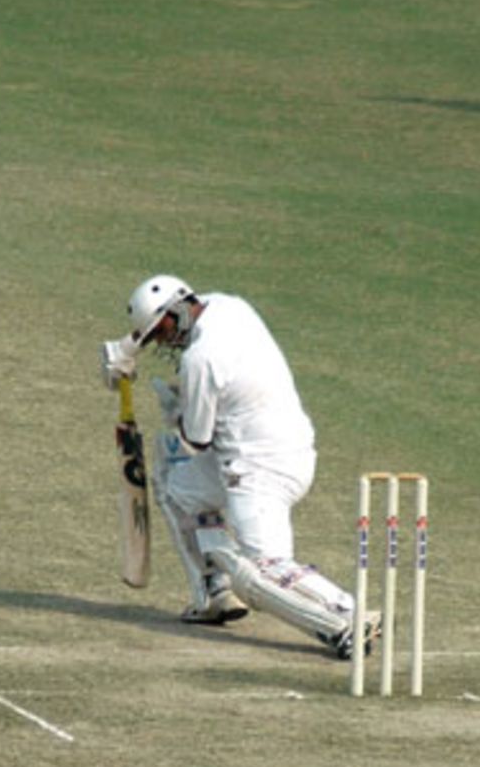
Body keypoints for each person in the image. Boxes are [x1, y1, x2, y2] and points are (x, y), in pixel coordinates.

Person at [101, 275, 378, 659]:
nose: (163, 341)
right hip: (284, 448)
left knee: (263, 572)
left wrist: (177, 410)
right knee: (173, 480)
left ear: (175, 312)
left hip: (258, 471)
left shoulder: (201, 359)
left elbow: (195, 438)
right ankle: (213, 591)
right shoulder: (228, 305)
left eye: (161, 332)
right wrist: (126, 347)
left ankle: (348, 615)